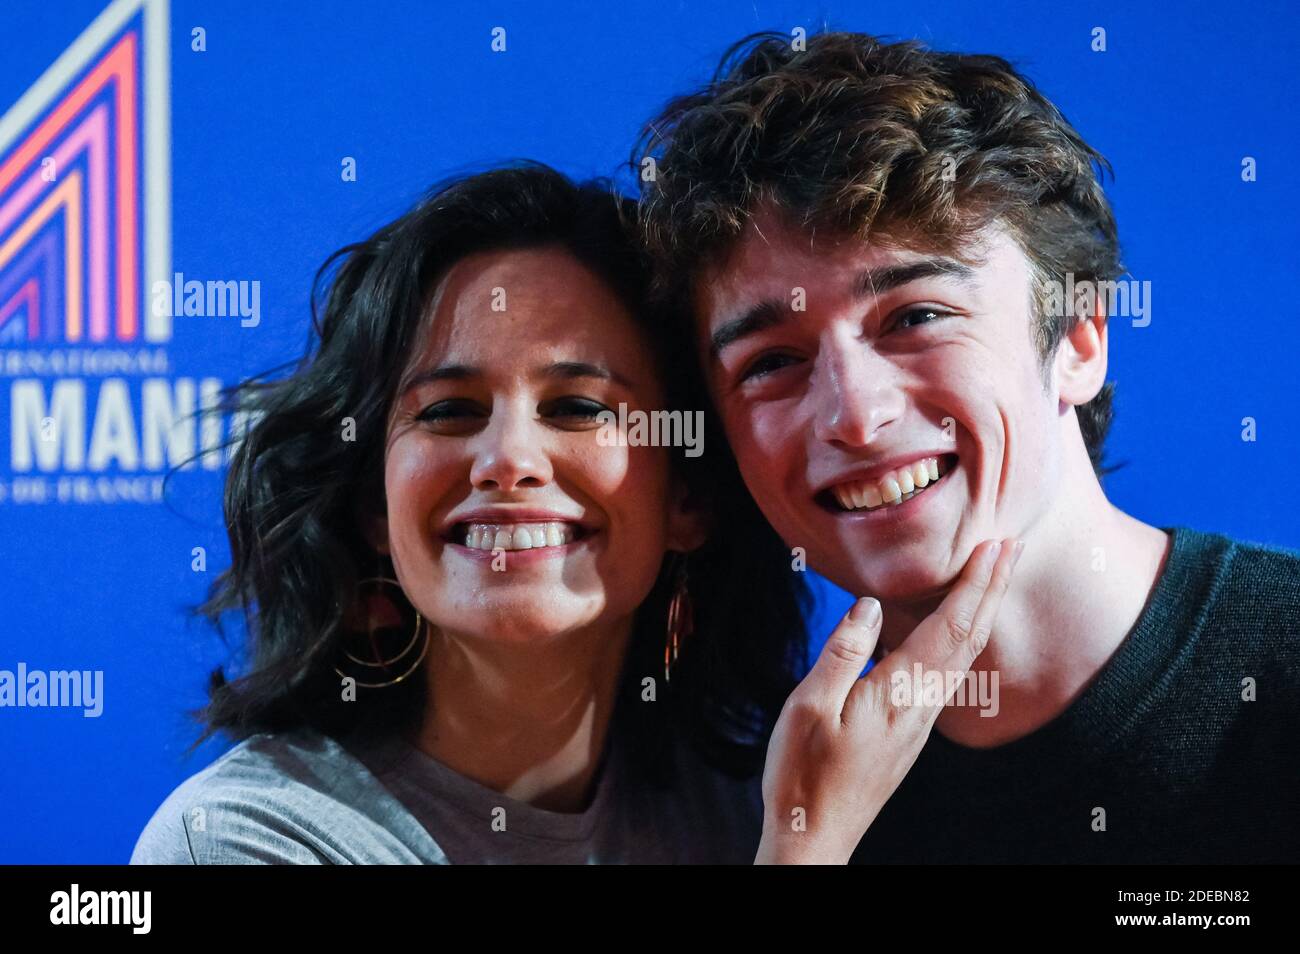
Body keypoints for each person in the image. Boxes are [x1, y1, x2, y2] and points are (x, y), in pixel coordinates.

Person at [130, 163, 1020, 864]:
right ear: (373, 507)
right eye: (448, 412)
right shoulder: (243, 841)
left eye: (580, 408)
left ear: (689, 499)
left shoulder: (737, 809)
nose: (509, 459)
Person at [635, 31, 1300, 863]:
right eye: (771, 363)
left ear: (1082, 340)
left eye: (915, 316)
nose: (854, 416)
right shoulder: (769, 808)